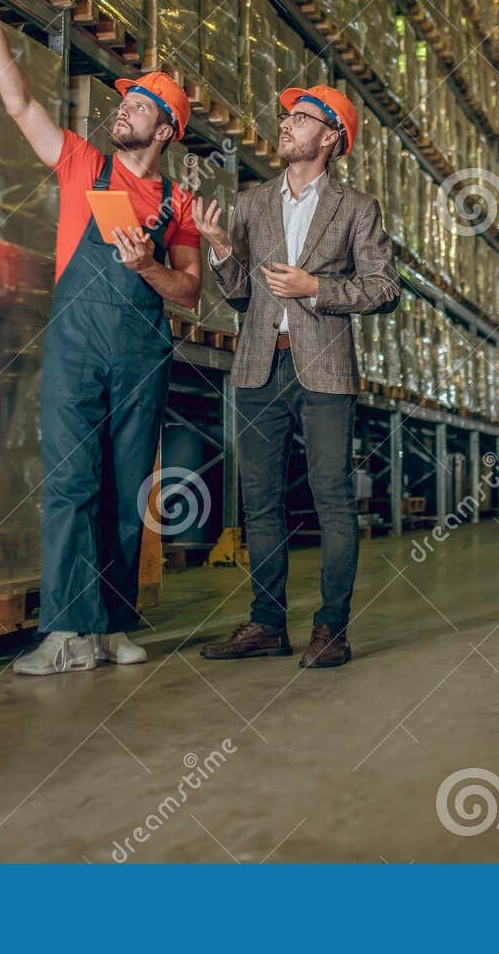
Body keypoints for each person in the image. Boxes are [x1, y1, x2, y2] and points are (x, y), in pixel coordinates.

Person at [0, 0, 203, 676]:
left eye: (142, 104)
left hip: (139, 353)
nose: (124, 110)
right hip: (74, 347)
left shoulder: (177, 203)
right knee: (70, 481)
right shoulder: (83, 167)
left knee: (128, 489)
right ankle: (66, 629)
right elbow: (21, 103)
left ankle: (113, 625)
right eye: (127, 101)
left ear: (165, 128)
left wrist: (145, 265)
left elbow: (187, 291)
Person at [192, 85, 399, 668]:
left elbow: (385, 290)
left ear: (331, 138)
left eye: (302, 119)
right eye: (285, 116)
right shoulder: (253, 204)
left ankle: (331, 629)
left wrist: (318, 291)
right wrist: (218, 251)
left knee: (331, 497)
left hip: (325, 368)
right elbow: (239, 295)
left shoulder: (357, 209)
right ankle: (266, 624)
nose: (286, 124)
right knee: (259, 501)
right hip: (259, 364)